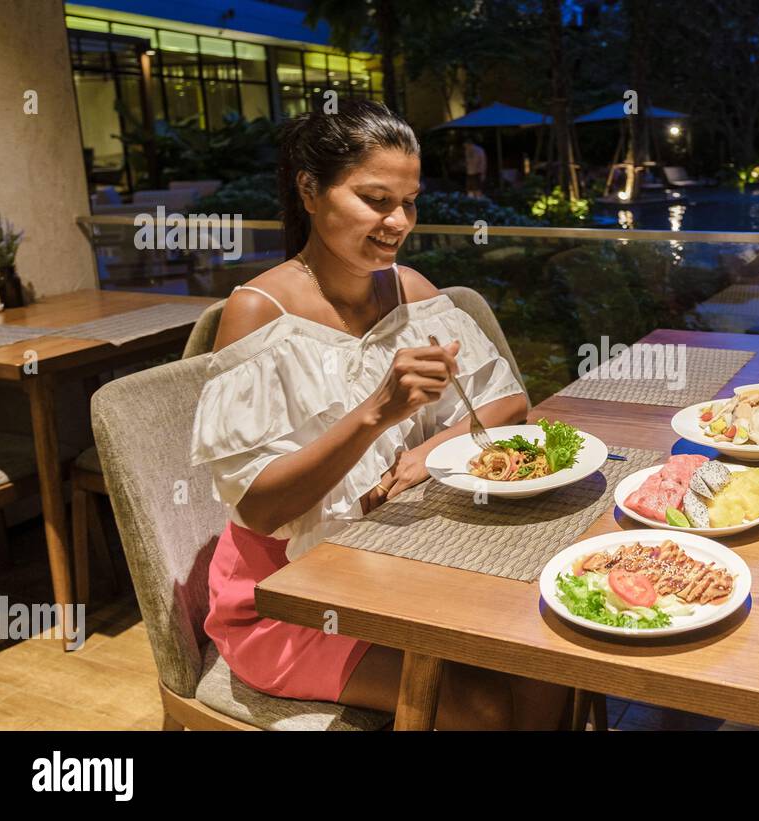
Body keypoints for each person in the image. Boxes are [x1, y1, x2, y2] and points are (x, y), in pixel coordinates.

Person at [191, 99, 568, 730]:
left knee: (547, 651)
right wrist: (376, 414)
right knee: (481, 704)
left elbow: (510, 404)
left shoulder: (412, 290)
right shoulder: (258, 314)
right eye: (375, 199)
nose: (398, 222)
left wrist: (427, 451)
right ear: (309, 191)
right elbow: (258, 507)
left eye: (409, 201)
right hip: (288, 599)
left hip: (396, 563)